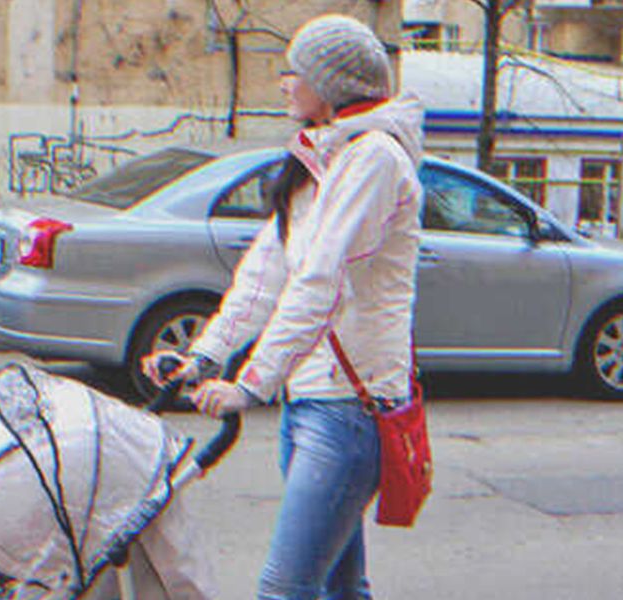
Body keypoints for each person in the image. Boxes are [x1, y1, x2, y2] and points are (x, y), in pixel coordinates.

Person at [142, 14, 425, 600]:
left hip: (351, 410)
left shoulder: (372, 159)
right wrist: (202, 357)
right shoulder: (317, 163)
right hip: (313, 402)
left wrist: (250, 384)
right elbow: (263, 278)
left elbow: (322, 282)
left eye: (294, 70)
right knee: (341, 589)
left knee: (285, 588)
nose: (283, 81)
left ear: (332, 81)